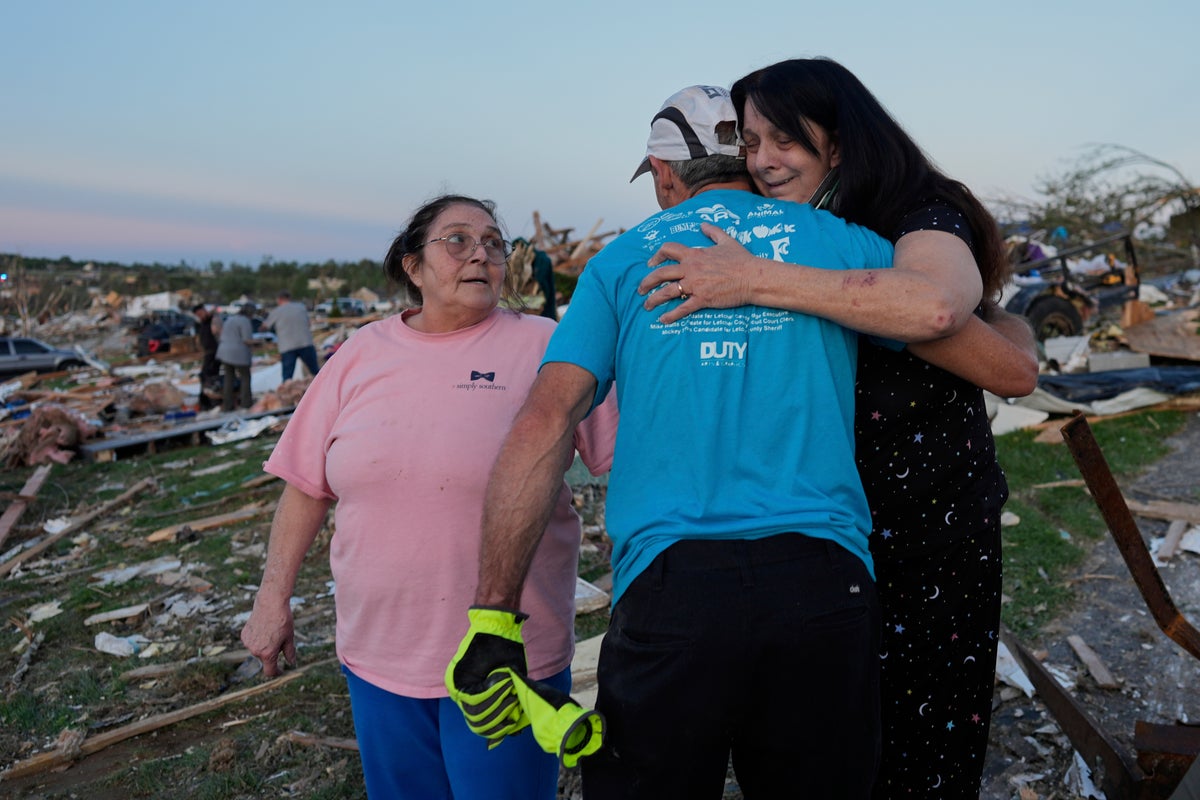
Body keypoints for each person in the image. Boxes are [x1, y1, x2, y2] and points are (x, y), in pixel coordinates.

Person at [452, 86, 898, 799]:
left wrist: (494, 615)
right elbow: (948, 321)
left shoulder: (622, 261)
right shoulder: (837, 241)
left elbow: (544, 425)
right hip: (823, 580)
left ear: (664, 173)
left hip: (672, 589)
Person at [636, 58, 1039, 798]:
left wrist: (752, 277)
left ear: (842, 139)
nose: (763, 161)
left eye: (783, 140)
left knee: (920, 748)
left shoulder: (915, 211)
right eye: (750, 142)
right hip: (817, 539)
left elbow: (943, 316)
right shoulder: (804, 231)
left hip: (924, 532)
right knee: (826, 758)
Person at [239, 194, 617, 800]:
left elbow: (624, 464)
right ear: (413, 266)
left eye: (494, 243)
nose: (481, 255)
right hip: (378, 654)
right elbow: (307, 485)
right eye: (458, 240)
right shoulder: (360, 354)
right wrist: (271, 598)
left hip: (506, 661)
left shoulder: (549, 345)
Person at [261, 290, 320, 380]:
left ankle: (287, 391)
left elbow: (265, 326)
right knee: (316, 372)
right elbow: (309, 324)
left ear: (279, 299)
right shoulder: (301, 307)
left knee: (287, 376)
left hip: (287, 346)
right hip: (305, 342)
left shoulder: (276, 311)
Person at [215, 303, 257, 412]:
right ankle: (246, 403)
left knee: (228, 378)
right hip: (238, 353)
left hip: (224, 352)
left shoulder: (230, 319)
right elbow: (246, 340)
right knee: (245, 377)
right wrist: (259, 342)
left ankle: (227, 405)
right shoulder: (245, 321)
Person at [192, 304, 219, 388]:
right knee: (205, 374)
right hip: (208, 352)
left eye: (200, 314)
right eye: (198, 315)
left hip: (214, 351)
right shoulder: (202, 322)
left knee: (209, 374)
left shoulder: (212, 319)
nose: (199, 316)